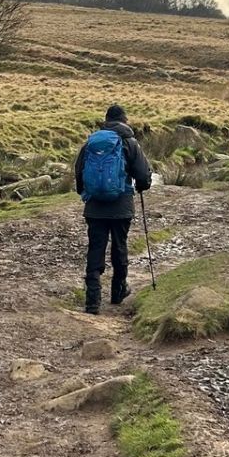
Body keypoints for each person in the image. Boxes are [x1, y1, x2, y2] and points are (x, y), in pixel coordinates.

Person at [72, 103, 153, 313]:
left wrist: (84, 192)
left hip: (95, 206)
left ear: (106, 120)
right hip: (121, 205)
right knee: (120, 247)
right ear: (125, 120)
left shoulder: (92, 142)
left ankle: (92, 301)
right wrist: (142, 186)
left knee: (96, 248)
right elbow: (143, 175)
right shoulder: (130, 142)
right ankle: (117, 293)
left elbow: (79, 170)